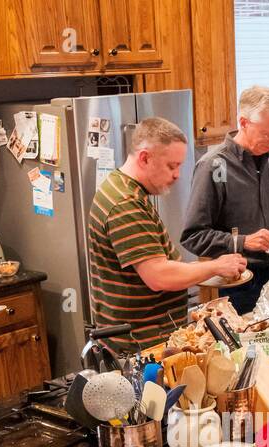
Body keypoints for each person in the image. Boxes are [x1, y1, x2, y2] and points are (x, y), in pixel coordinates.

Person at [87, 117, 245, 350]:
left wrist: (204, 269)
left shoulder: (122, 187)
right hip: (140, 345)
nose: (177, 175)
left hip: (144, 335)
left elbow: (161, 263)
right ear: (144, 158)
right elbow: (159, 276)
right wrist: (215, 266)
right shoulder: (125, 205)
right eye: (172, 166)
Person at [181, 86, 269, 314]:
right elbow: (193, 236)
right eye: (267, 134)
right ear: (243, 123)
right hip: (232, 283)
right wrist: (244, 242)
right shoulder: (213, 166)